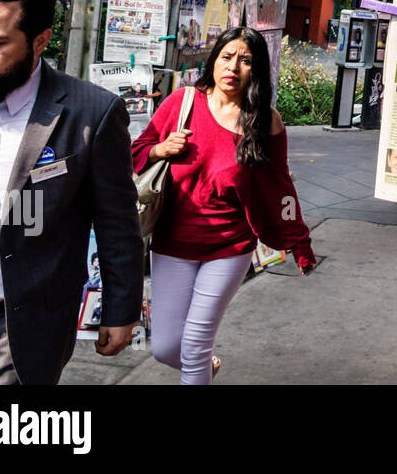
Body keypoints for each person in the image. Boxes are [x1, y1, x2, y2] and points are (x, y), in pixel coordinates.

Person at [0, 0, 143, 384]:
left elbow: (117, 221)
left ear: (39, 42)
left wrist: (121, 308)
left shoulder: (90, 113)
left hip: (8, 335)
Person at [132, 26, 314, 385]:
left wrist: (300, 242)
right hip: (172, 244)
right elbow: (136, 151)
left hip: (229, 248)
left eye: (245, 60)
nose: (233, 67)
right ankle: (204, 368)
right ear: (214, 59)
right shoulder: (181, 103)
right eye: (227, 56)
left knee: (195, 345)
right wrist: (160, 149)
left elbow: (281, 186)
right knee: (166, 348)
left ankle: (199, 366)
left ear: (257, 69)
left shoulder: (265, 121)